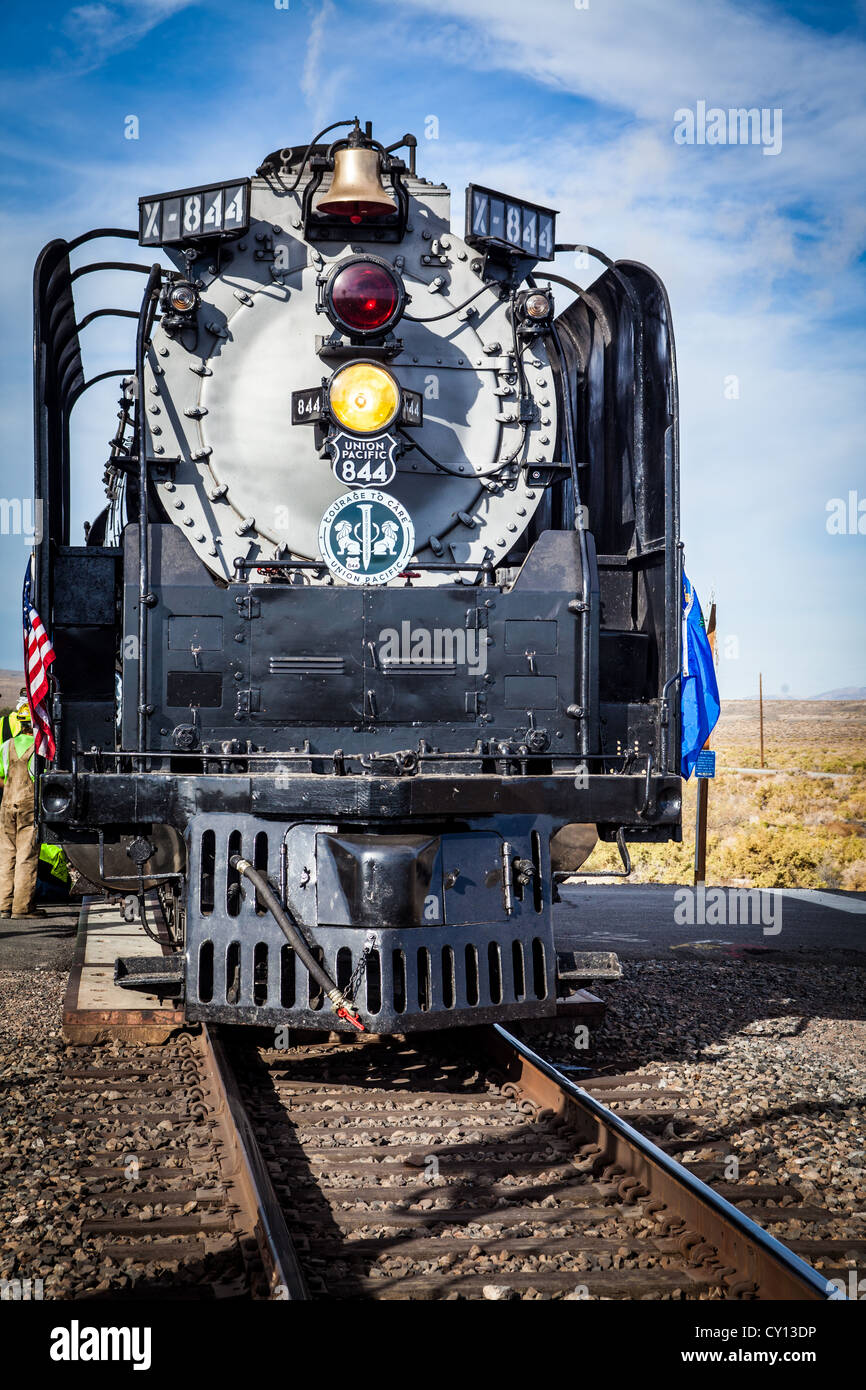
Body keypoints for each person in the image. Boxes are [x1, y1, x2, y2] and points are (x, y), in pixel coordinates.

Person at [0, 697, 39, 918]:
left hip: (6, 804)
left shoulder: (6, 746)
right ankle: (22, 908)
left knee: (6, 855)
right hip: (29, 805)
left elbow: (1, 777)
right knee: (26, 855)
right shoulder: (39, 748)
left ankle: (3, 905)